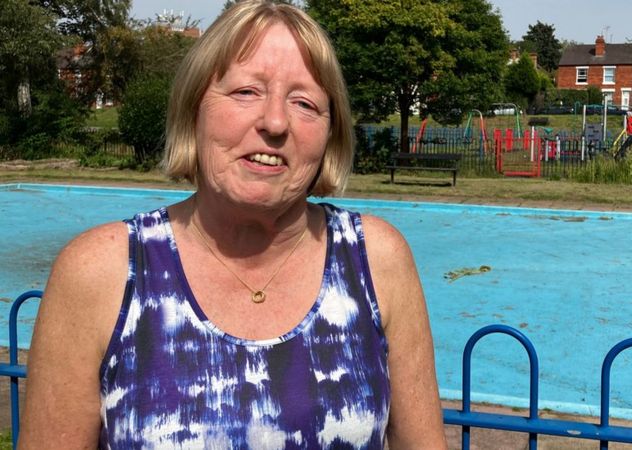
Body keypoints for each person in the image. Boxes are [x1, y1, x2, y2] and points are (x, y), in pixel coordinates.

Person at [19, 1, 447, 448]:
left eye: (304, 103)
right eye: (246, 91)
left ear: (330, 134)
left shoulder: (375, 261)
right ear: (194, 108)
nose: (275, 122)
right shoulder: (99, 272)